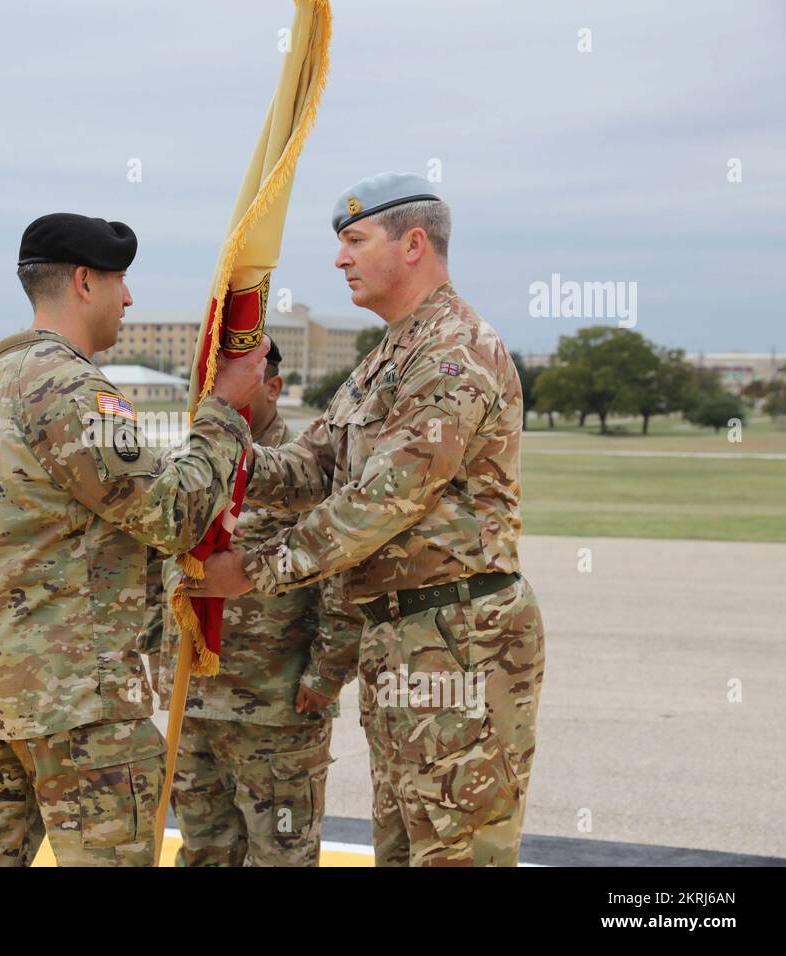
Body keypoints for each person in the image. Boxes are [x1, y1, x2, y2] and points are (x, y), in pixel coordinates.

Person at [187, 172, 545, 867]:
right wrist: (216, 447)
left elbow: (384, 501)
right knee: (404, 849)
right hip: (398, 637)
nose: (340, 259)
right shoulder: (384, 357)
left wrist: (252, 570)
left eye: (355, 240)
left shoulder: (453, 349)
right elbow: (311, 469)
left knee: (456, 852)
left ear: (414, 243)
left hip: (460, 640)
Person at [0, 212, 266, 866]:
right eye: (121, 280)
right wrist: (225, 407)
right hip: (72, 705)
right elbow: (172, 517)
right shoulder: (69, 385)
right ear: (85, 282)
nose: (130, 298)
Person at [147, 340, 337, 866]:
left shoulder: (310, 473)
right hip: (195, 698)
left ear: (273, 387)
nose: (219, 398)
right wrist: (153, 650)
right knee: (204, 851)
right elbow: (156, 561)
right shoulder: (192, 462)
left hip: (275, 703)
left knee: (280, 855)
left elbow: (340, 579)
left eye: (237, 384)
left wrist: (327, 673)